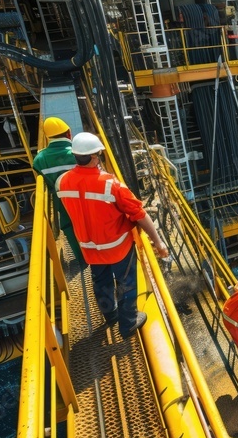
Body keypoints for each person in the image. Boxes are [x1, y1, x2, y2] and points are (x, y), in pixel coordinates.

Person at [56, 132, 170, 338]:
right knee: (126, 283)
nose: (99, 158)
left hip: (89, 246)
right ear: (92, 157)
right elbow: (140, 214)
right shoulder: (111, 184)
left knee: (100, 281)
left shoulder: (62, 182)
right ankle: (128, 323)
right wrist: (159, 243)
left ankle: (110, 315)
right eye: (98, 155)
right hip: (117, 246)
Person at [32, 117, 82, 262]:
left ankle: (81, 258)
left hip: (62, 199)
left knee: (68, 226)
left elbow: (44, 180)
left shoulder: (39, 159)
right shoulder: (78, 151)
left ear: (48, 137)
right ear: (69, 134)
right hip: (85, 196)